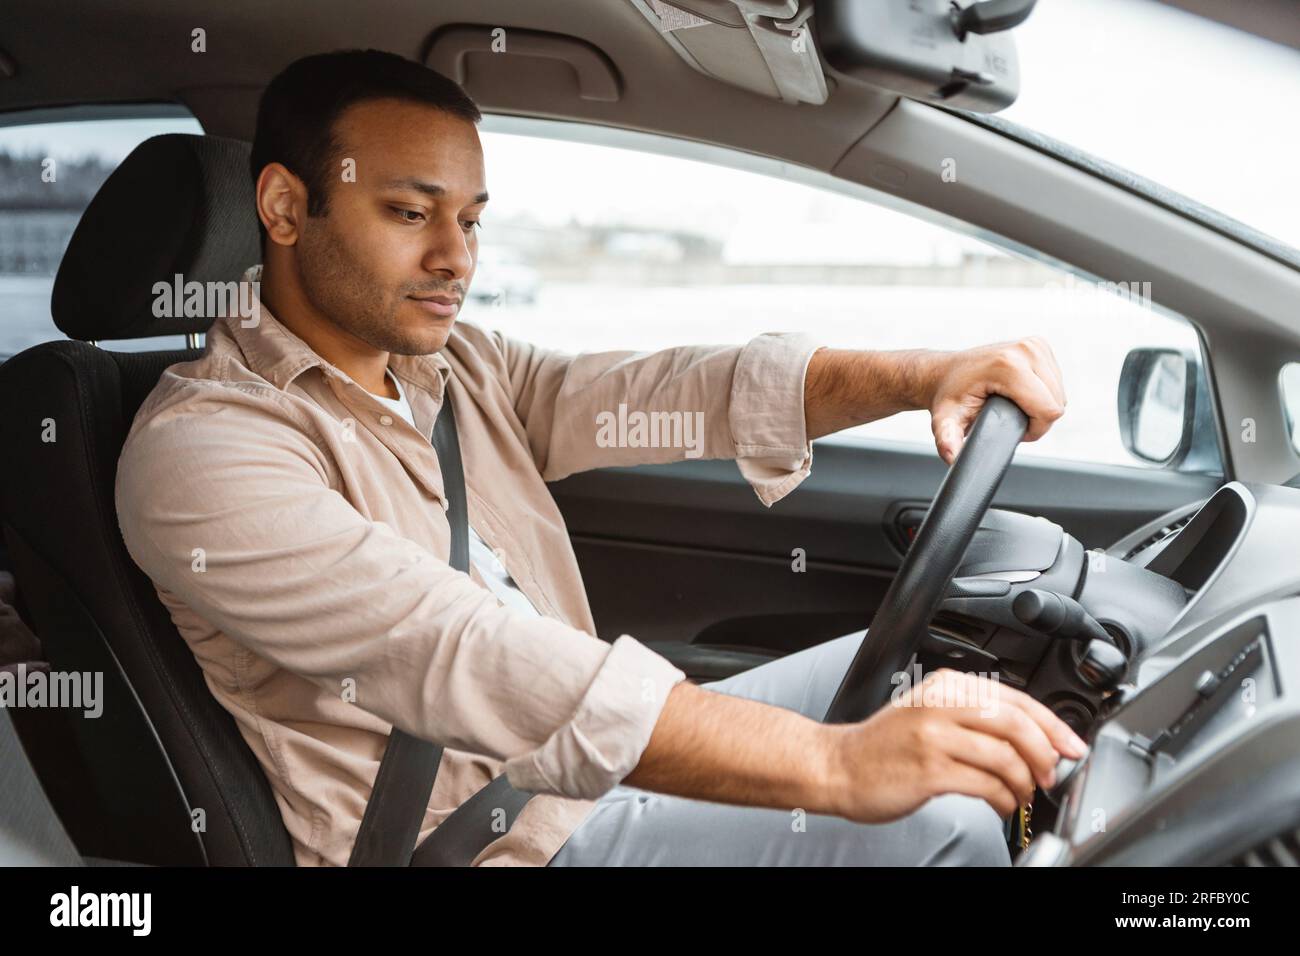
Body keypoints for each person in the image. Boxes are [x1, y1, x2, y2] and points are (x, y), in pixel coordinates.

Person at [115, 49, 1082, 867]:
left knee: (956, 686)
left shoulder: (455, 370)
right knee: (940, 818)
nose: (459, 257)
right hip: (499, 849)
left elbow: (668, 396)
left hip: (579, 782)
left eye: (473, 218)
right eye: (412, 214)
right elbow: (467, 653)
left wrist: (925, 374)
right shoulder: (203, 454)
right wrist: (834, 767)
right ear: (285, 208)